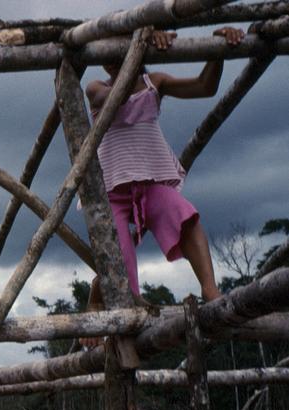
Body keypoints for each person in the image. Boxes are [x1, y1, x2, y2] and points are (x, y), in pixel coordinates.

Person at [84, 26, 245, 305]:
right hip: (110, 190)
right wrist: (139, 51)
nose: (108, 59)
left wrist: (217, 49)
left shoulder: (154, 82)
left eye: (116, 51)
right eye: (104, 53)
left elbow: (204, 87)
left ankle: (210, 289)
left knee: (185, 216)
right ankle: (119, 300)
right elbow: (114, 98)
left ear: (132, 47)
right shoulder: (96, 86)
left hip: (149, 184)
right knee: (117, 256)